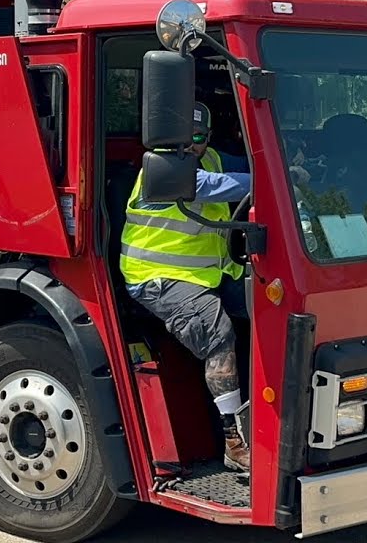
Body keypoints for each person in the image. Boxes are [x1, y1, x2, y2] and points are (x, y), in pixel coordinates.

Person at [120, 102, 253, 472]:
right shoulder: (160, 166)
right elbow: (212, 187)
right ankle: (233, 441)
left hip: (207, 275)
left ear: (208, 138)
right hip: (155, 277)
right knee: (218, 333)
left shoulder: (211, 157)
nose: (190, 146)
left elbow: (249, 161)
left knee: (276, 309)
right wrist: (280, 178)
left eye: (198, 138)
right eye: (183, 137)